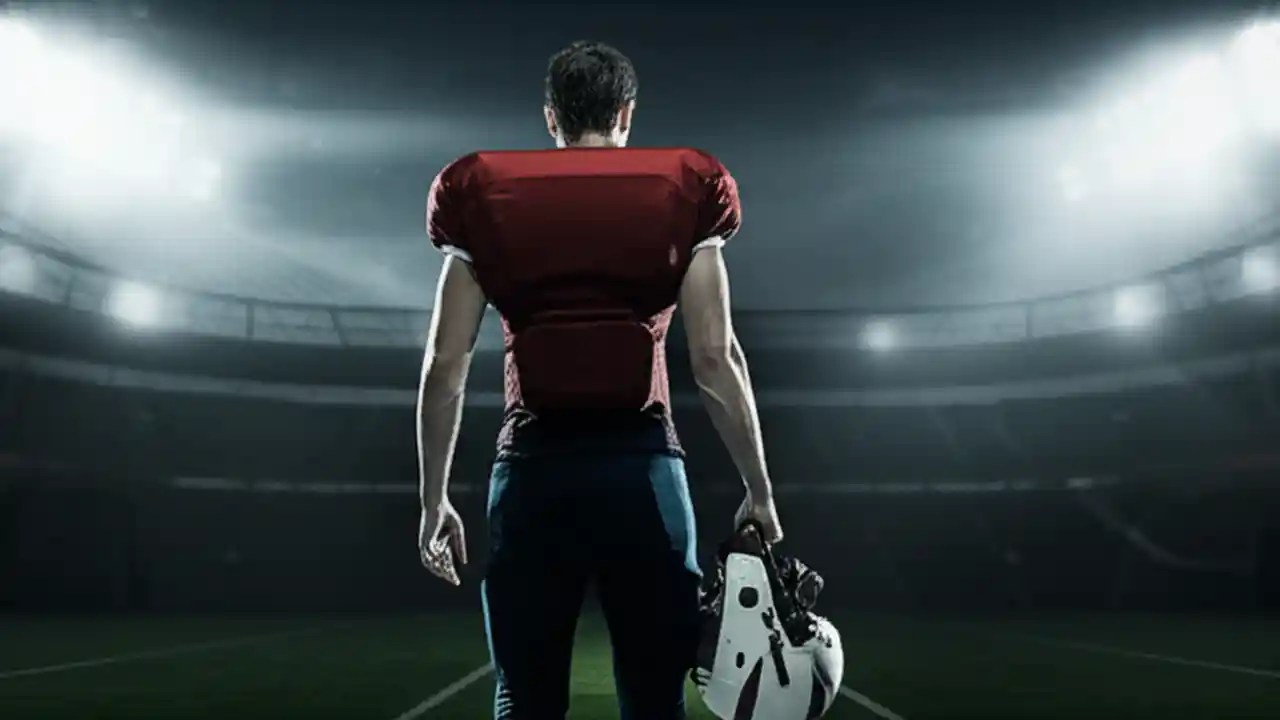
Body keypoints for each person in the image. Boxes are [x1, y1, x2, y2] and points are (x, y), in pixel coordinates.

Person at [415, 39, 782, 720]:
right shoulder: (687, 184)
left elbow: (446, 364)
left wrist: (433, 497)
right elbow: (714, 356)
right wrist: (758, 490)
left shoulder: (479, 189)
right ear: (627, 112)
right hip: (641, 471)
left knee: (523, 699)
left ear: (550, 117)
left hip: (531, 473)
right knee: (654, 700)